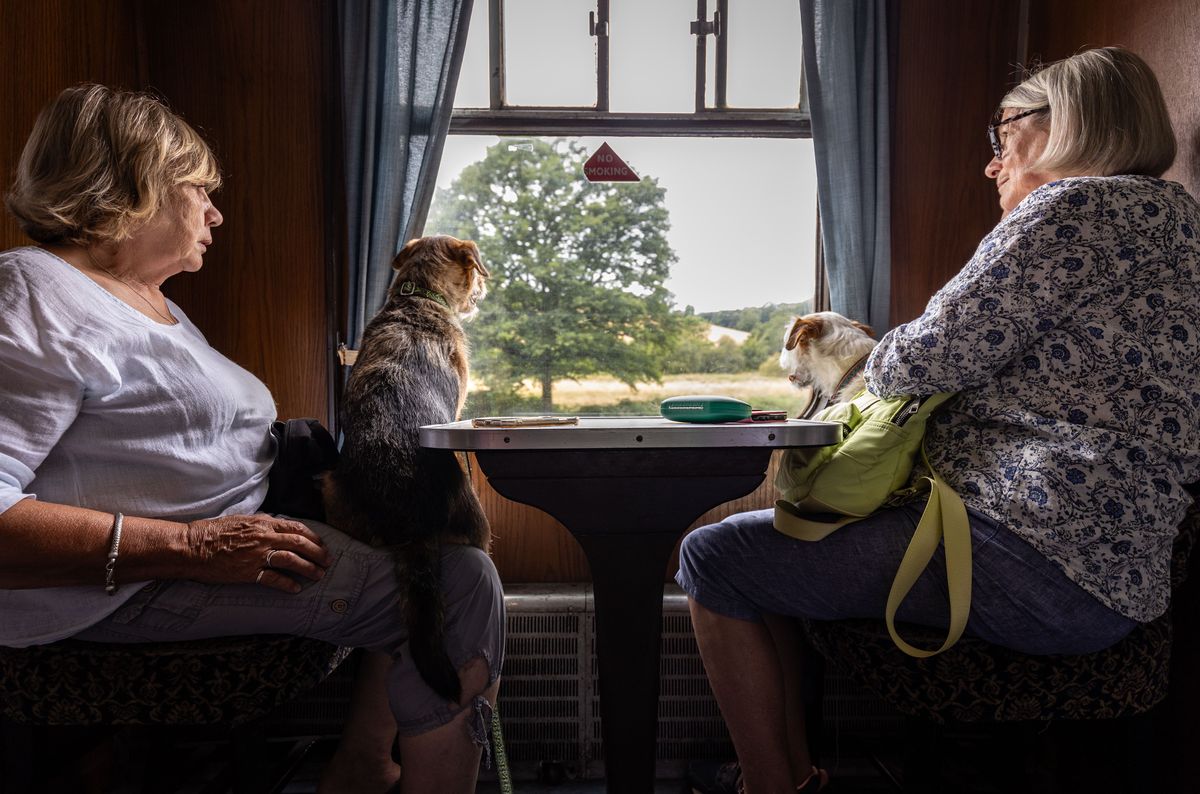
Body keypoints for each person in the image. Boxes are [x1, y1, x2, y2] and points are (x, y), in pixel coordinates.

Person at [677, 46, 1200, 794]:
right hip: (1125, 572)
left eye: (1003, 134)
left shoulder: (1071, 210)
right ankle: (786, 773)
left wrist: (877, 356)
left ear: (1067, 124)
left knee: (716, 557)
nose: (994, 163)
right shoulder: (1178, 222)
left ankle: (773, 783)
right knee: (766, 557)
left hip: (1035, 554)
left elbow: (916, 364)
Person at [0, 84, 504, 794]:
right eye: (198, 189)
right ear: (134, 185)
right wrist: (192, 546)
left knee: (446, 555)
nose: (215, 213)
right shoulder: (35, 293)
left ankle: (365, 761)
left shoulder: (154, 303)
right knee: (460, 586)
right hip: (130, 588)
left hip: (232, 539)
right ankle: (366, 767)